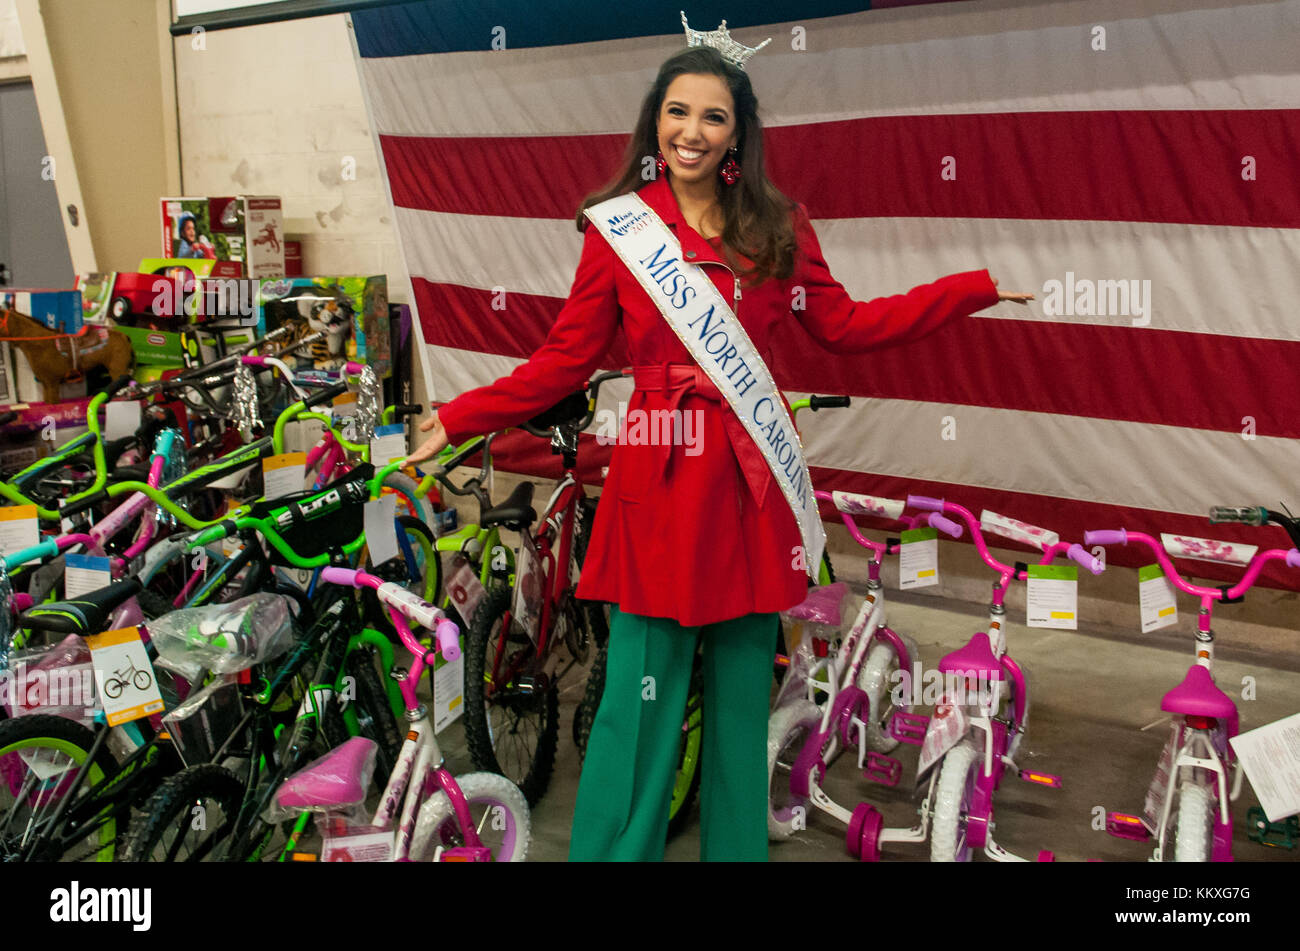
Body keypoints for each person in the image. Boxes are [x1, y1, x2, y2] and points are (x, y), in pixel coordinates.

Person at [405, 41, 1032, 862]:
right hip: (658, 480)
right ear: (655, 122)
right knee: (637, 705)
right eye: (677, 112)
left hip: (748, 483)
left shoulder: (777, 226)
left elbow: (849, 327)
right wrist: (460, 417)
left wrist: (969, 290)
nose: (691, 131)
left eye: (712, 116)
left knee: (740, 707)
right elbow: (563, 361)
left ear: (737, 134)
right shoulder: (621, 229)